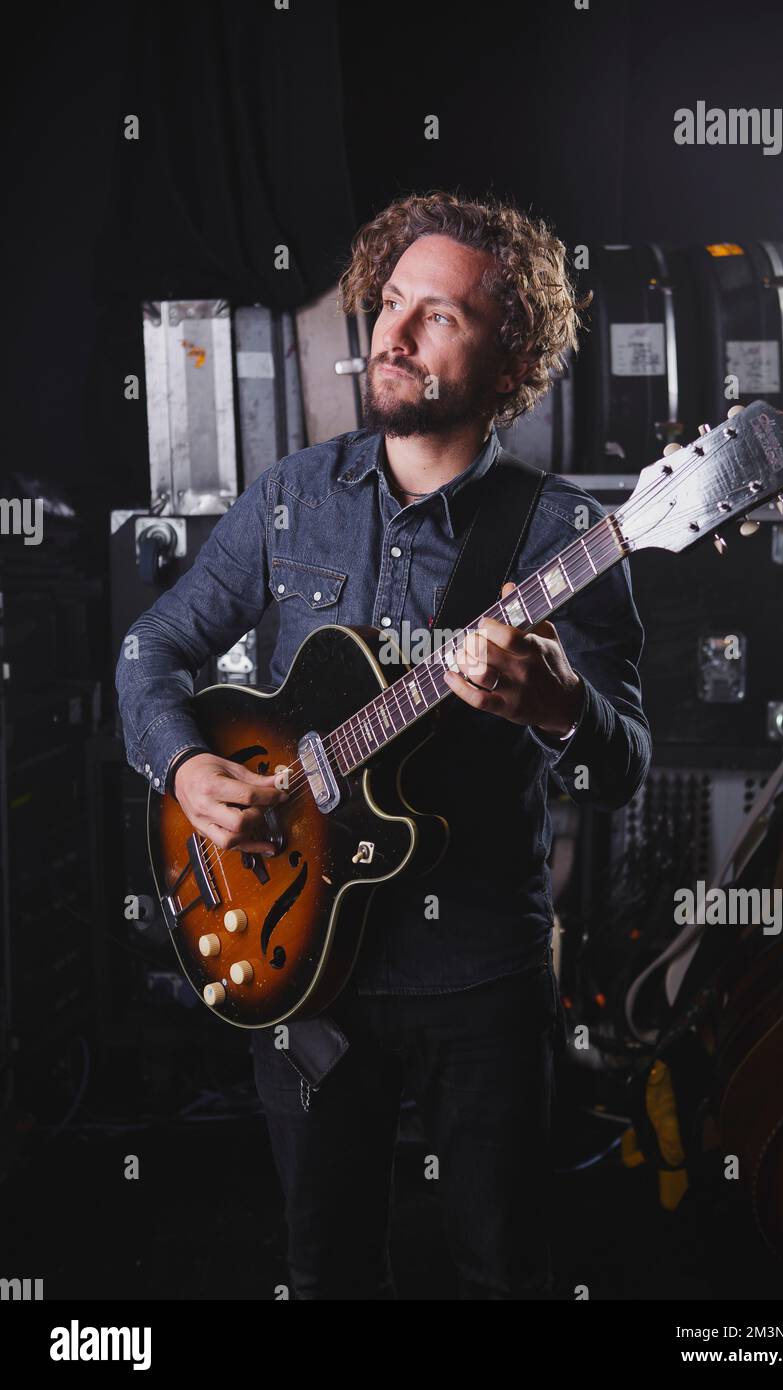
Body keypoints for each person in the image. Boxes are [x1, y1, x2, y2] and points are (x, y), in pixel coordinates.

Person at [116, 189, 652, 1300]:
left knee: (503, 1267)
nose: (391, 335)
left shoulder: (565, 538)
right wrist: (182, 762)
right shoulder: (288, 501)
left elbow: (622, 770)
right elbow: (147, 651)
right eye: (389, 301)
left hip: (479, 974)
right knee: (325, 1271)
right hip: (299, 958)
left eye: (438, 315)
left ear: (510, 360)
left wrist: (557, 708)